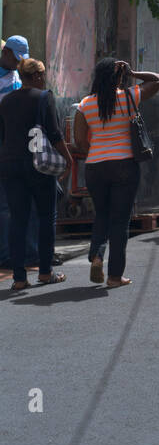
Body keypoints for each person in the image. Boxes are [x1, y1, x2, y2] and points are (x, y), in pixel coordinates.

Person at [74, 58, 159, 288]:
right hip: (124, 165)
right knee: (120, 220)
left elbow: (79, 142)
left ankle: (96, 255)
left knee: (102, 215)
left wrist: (96, 153)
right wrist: (133, 72)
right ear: (119, 77)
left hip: (95, 167)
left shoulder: (85, 104)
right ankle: (115, 276)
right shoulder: (129, 96)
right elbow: (158, 79)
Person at [0, 58, 73, 292]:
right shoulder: (44, 97)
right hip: (38, 165)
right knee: (45, 217)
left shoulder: (7, 100)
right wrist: (68, 160)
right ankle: (45, 272)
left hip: (11, 166)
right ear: (38, 76)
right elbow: (54, 133)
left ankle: (19, 278)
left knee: (17, 220)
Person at [0, 35, 42, 273]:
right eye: (15, 58)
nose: (18, 64)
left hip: (21, 146)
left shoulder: (17, 77)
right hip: (6, 145)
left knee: (28, 203)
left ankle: (29, 253)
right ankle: (6, 254)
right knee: (5, 205)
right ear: (5, 52)